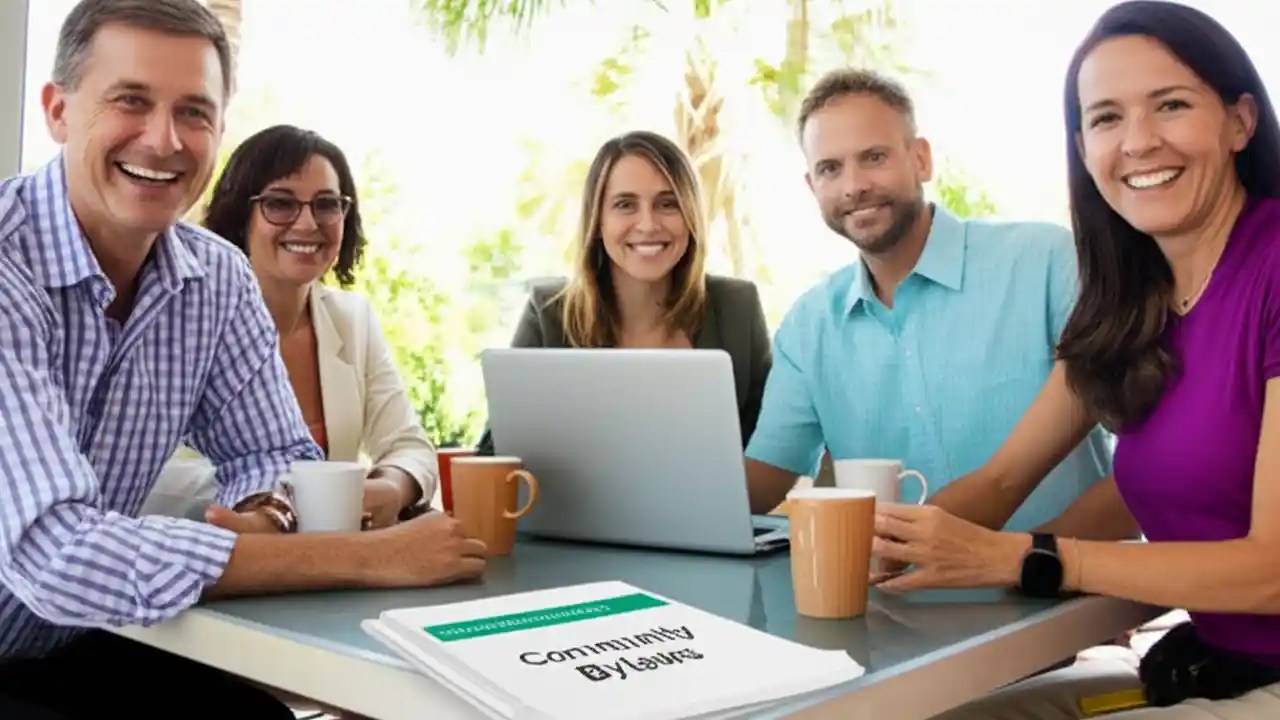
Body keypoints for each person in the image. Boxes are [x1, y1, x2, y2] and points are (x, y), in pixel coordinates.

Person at [0, 2, 485, 717]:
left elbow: (278, 455)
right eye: (131, 100)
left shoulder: (217, 278)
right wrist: (373, 557)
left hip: (70, 640)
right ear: (58, 110)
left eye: (194, 112)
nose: (164, 140)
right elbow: (56, 553)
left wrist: (267, 512)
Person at [871, 3, 1280, 717]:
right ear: (1083, 148)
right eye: (1106, 119)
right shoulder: (1129, 301)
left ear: (1240, 121)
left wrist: (1024, 558)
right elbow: (1001, 481)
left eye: (1171, 105)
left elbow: (1273, 570)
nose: (1139, 142)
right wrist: (885, 554)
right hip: (1220, 661)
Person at [743, 68, 1116, 534]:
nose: (853, 185)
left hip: (1059, 593)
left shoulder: (1046, 261)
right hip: (894, 599)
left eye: (874, 157)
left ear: (920, 159)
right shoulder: (806, 326)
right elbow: (764, 480)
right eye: (830, 168)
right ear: (812, 185)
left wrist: (1032, 561)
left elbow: (1152, 456)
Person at [148, 124, 438, 529]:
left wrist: (392, 487)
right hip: (207, 563)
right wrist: (289, 505)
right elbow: (159, 478)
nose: (307, 224)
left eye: (327, 204)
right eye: (280, 204)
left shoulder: (351, 320)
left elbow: (409, 446)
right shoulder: (178, 320)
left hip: (324, 573)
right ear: (238, 217)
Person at [477, 130, 772, 454]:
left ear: (691, 217)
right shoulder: (549, 313)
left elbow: (769, 446)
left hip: (709, 506)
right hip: (575, 507)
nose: (648, 224)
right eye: (625, 205)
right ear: (598, 222)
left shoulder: (736, 308)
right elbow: (495, 453)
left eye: (668, 203)